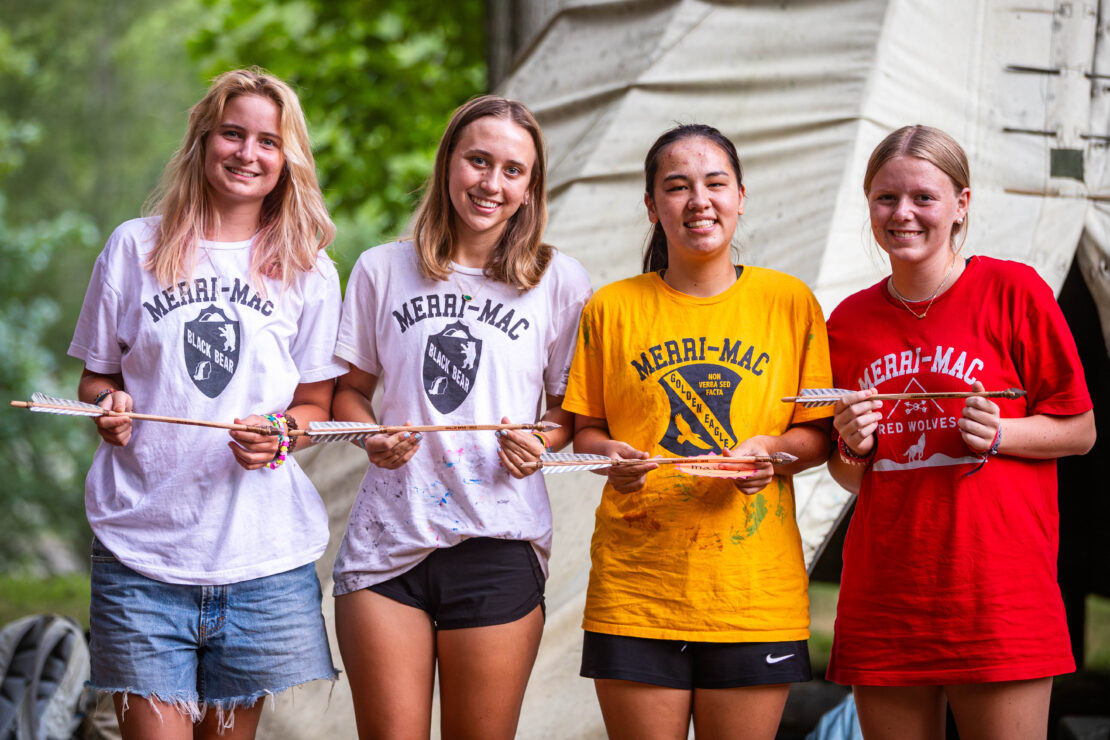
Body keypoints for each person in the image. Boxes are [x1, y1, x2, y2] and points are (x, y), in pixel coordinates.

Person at [67, 68, 344, 740]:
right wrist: (112, 409)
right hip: (143, 555)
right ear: (202, 138)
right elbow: (95, 381)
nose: (248, 153)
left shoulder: (308, 267)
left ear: (288, 158)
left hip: (258, 561)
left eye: (268, 141)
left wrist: (282, 435)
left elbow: (315, 404)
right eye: (233, 133)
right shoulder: (134, 247)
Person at [331, 95, 592, 739]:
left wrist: (540, 440)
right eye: (478, 161)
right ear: (449, 161)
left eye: (512, 170)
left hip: (498, 542)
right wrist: (370, 434)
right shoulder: (380, 269)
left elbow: (569, 416)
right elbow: (347, 393)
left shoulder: (558, 280)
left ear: (531, 187)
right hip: (386, 545)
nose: (491, 183)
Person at [562, 123, 834, 740]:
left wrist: (771, 451)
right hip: (636, 591)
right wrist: (613, 457)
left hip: (752, 596)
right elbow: (587, 433)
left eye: (715, 183)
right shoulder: (611, 307)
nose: (698, 201)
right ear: (653, 206)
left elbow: (815, 435)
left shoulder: (788, 302)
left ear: (741, 196)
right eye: (677, 187)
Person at [825, 124, 1097, 740]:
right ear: (869, 205)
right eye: (886, 198)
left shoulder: (1014, 291)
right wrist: (853, 444)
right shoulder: (848, 322)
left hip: (997, 596)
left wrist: (1003, 433)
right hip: (888, 596)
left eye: (924, 197)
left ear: (961, 205)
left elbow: (1080, 430)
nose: (904, 214)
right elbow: (846, 473)